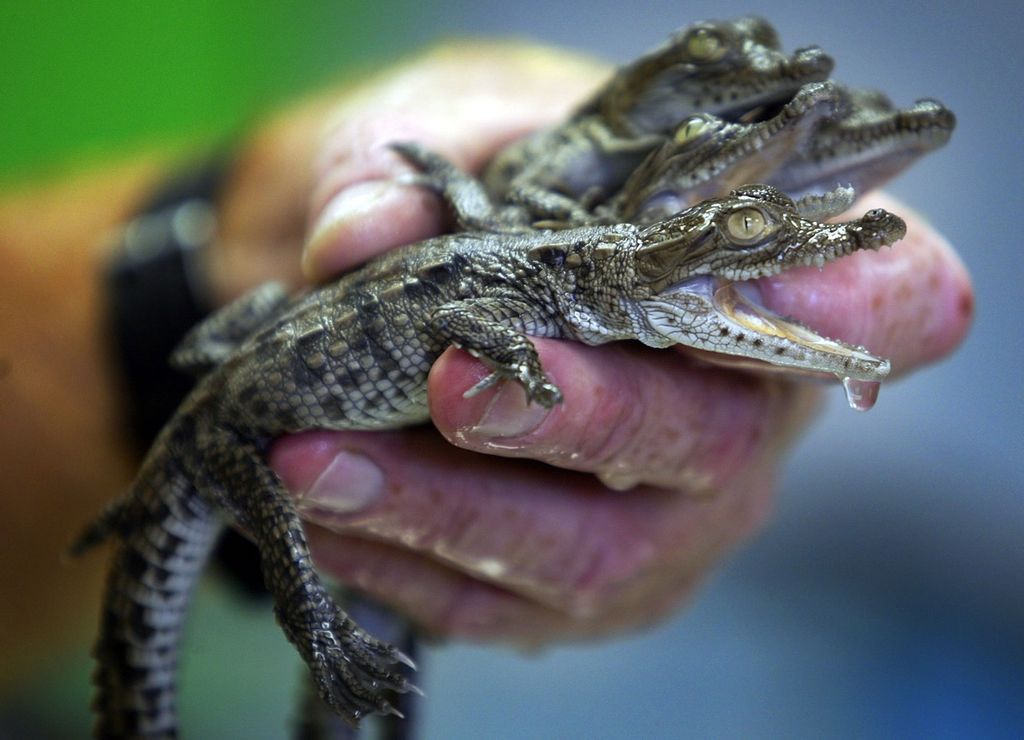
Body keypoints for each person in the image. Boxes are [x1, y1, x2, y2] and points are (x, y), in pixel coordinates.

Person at [0, 41, 973, 689]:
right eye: (749, 232)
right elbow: (474, 296)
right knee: (313, 598)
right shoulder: (552, 283)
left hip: (212, 415)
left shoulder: (582, 269)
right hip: (227, 429)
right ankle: (324, 640)